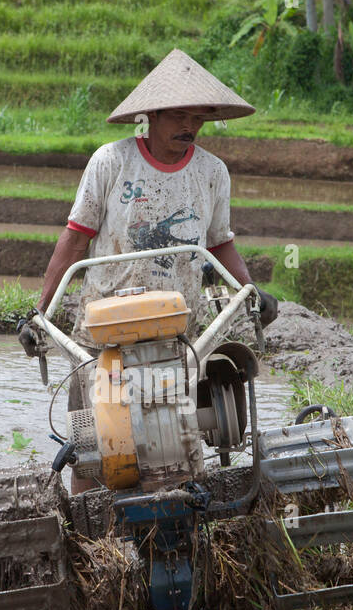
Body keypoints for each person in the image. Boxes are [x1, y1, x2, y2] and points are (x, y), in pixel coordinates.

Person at [18, 48, 278, 491]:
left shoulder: (212, 173)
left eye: (198, 117)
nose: (189, 126)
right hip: (101, 334)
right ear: (151, 115)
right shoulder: (112, 162)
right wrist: (39, 312)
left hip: (176, 334)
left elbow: (220, 242)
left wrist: (251, 291)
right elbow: (75, 238)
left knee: (174, 452)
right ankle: (92, 538)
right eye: (179, 115)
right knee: (92, 454)